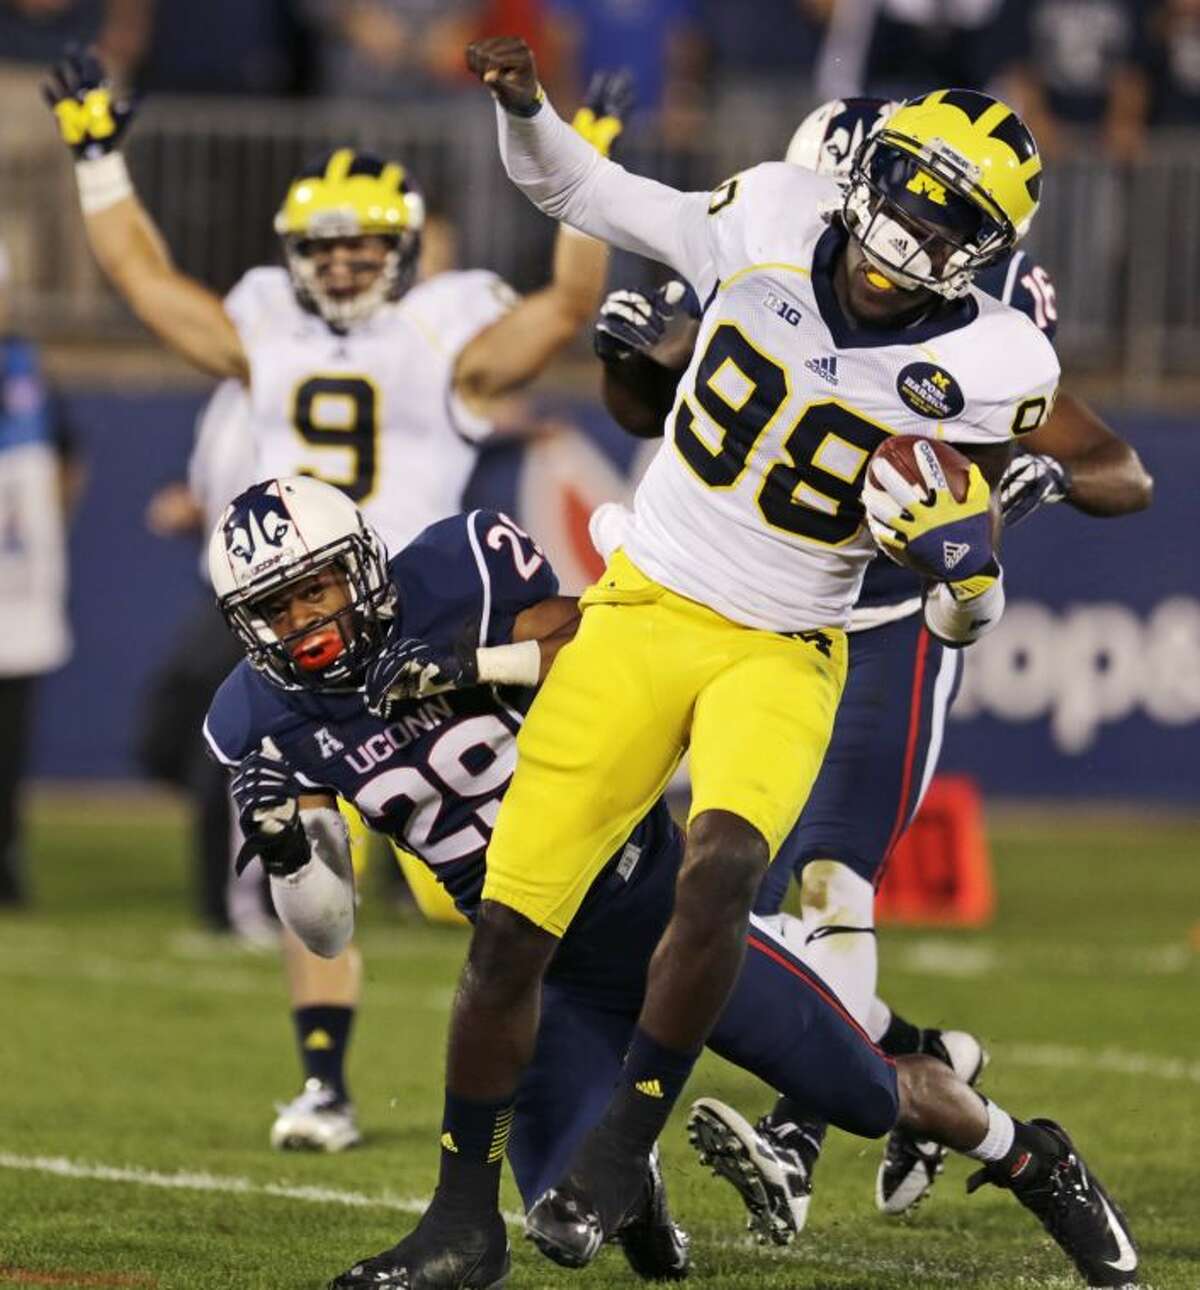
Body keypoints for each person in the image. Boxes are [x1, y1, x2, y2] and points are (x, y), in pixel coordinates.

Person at [358, 36, 1076, 1282]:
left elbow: (963, 610)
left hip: (788, 640)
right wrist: (527, 111)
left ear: (983, 244)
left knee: (725, 870)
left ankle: (623, 1145)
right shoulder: (772, 212)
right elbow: (580, 191)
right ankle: (458, 1219)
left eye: (948, 211)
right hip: (646, 607)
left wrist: (968, 576)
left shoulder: (995, 366)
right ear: (867, 173)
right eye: (907, 184)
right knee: (507, 935)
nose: (912, 220)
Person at [204, 475, 1140, 1290]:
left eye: (315, 590)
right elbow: (325, 930)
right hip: (541, 972)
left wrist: (474, 667)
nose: (306, 623)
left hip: (653, 912)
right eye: (277, 610)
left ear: (358, 565)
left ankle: (1028, 1154)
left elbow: (594, 646)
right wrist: (287, 845)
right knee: (554, 1212)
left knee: (867, 1095)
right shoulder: (260, 715)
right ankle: (630, 1203)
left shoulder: (457, 570)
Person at [43, 47, 626, 1151]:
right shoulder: (265, 327)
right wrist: (98, 161)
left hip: (429, 624)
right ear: (294, 255)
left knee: (520, 857)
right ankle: (326, 1083)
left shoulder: (443, 335)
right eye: (327, 246)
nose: (348, 262)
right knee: (301, 857)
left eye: (367, 244)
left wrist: (576, 165)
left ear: (404, 250)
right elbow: (146, 284)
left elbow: (567, 303)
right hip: (299, 638)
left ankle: (611, 1046)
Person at [592, 95, 1153, 1238]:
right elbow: (648, 405)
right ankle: (930, 1065)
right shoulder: (769, 248)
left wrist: (1004, 494)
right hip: (740, 611)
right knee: (716, 901)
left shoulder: (979, 335)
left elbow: (1117, 467)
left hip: (884, 626)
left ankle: (794, 1148)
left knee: (828, 889)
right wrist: (635, 349)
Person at [0, 237, 85, 906]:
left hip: (19, 591)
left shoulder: (28, 369)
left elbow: (66, 458)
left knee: (9, 744)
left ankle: (5, 861)